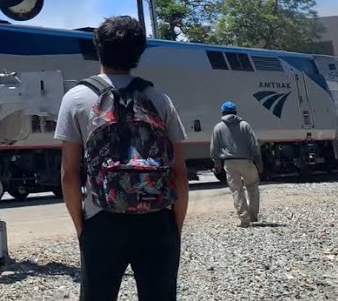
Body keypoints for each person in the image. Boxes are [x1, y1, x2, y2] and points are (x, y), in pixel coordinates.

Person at [55, 15, 190, 301]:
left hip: (102, 219)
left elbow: (68, 174)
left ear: (98, 48)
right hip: (157, 219)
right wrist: (174, 226)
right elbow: (179, 172)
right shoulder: (159, 98)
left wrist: (82, 227)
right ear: (139, 53)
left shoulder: (76, 98)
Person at [210, 101, 262, 227]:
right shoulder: (245, 125)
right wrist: (258, 161)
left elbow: (214, 148)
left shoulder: (218, 127)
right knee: (252, 187)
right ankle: (253, 215)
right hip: (246, 161)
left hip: (229, 163)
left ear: (223, 113)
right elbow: (254, 144)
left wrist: (217, 162)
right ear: (236, 112)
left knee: (236, 190)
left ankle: (244, 219)